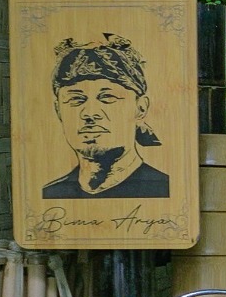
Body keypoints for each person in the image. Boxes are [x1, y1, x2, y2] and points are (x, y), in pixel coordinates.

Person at [41, 34, 171, 200]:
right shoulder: (51, 195)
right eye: (76, 99)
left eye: (107, 97)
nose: (89, 113)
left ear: (140, 108)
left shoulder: (163, 190)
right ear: (58, 110)